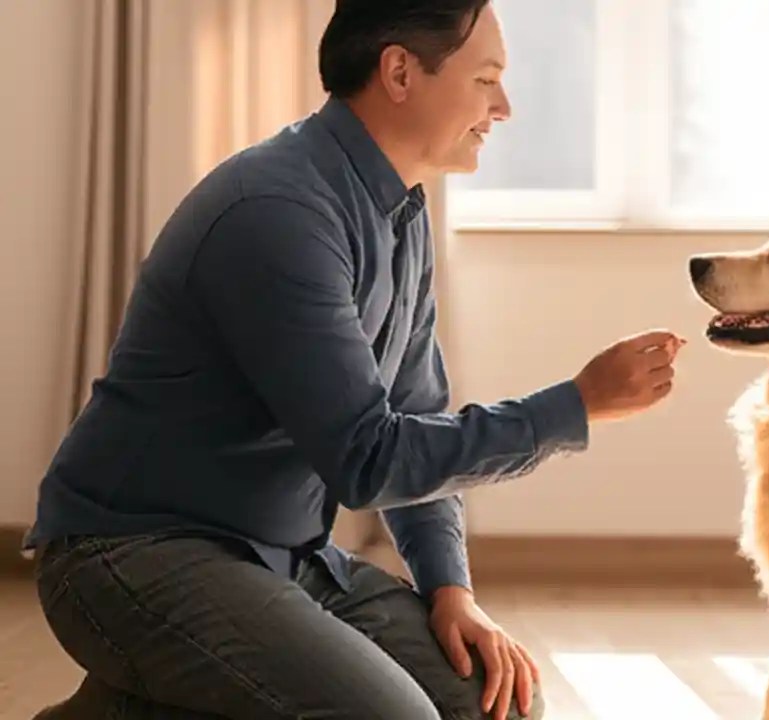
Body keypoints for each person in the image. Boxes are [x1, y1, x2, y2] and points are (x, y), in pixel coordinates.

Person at [27, 1, 683, 718]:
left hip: (279, 557)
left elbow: (418, 414)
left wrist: (449, 589)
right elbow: (370, 459)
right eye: (487, 78)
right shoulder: (277, 213)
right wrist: (575, 406)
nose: (505, 107)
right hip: (132, 553)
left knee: (491, 702)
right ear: (399, 71)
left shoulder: (400, 215)